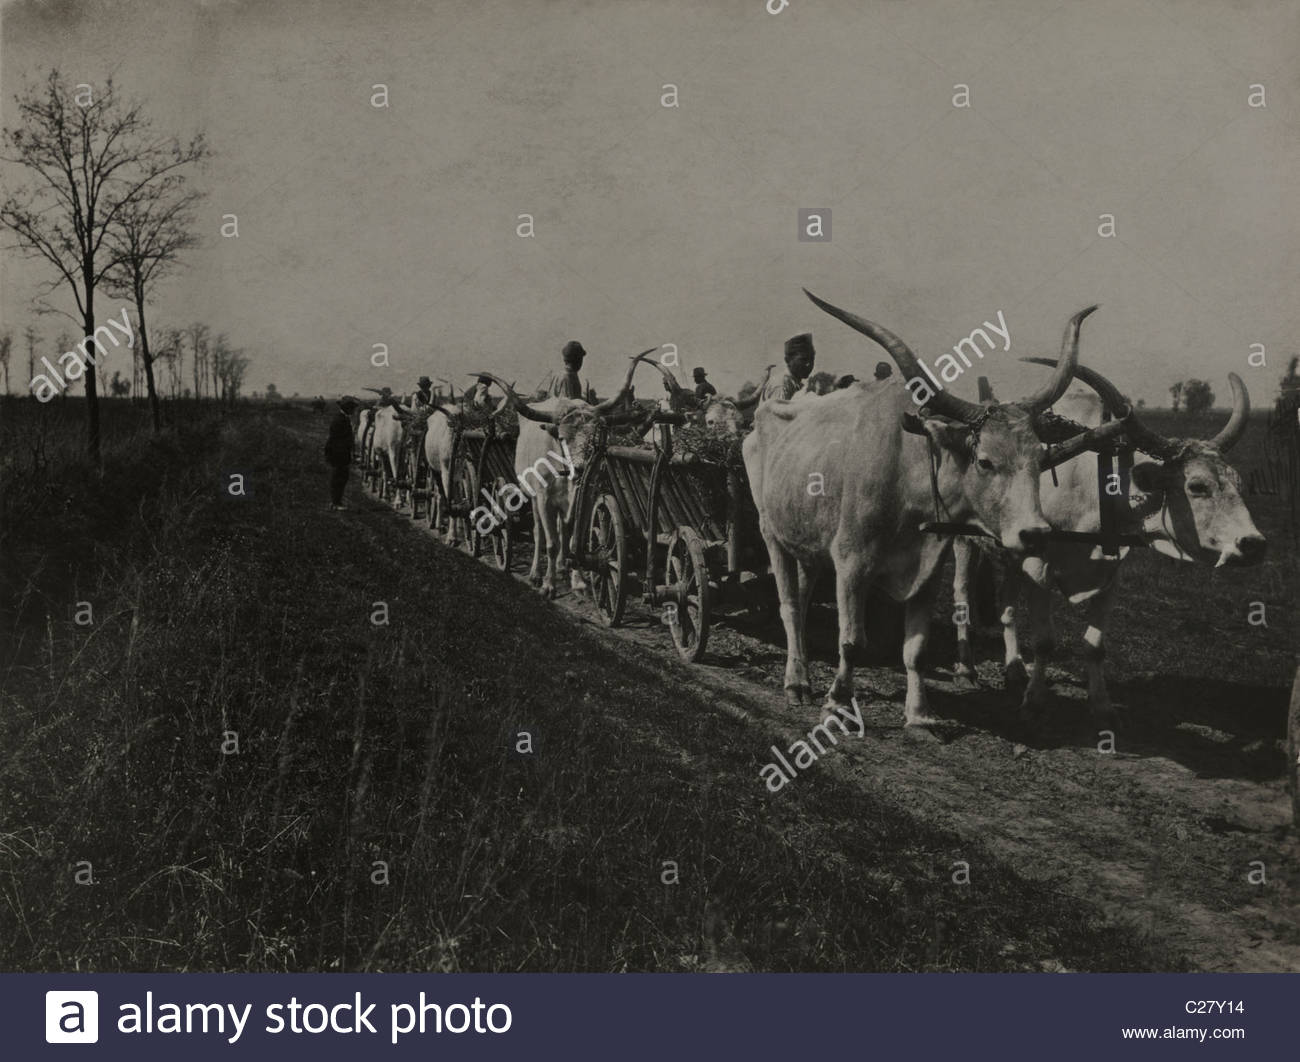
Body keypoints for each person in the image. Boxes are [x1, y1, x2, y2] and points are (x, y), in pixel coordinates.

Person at [325, 396, 360, 510]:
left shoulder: (341, 418)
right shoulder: (341, 420)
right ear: (347, 408)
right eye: (352, 408)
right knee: (339, 478)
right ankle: (336, 503)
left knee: (340, 477)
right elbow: (341, 440)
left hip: (338, 453)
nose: (354, 410)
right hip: (339, 454)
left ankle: (336, 501)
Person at [762, 333, 815, 401]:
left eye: (812, 359)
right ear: (787, 360)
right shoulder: (781, 385)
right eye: (803, 359)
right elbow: (780, 411)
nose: (809, 364)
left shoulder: (797, 385)